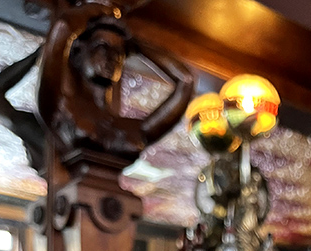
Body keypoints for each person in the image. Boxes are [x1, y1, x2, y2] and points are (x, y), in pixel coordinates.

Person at [36, 0, 193, 163]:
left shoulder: (130, 128)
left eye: (119, 52)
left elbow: (186, 80)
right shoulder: (63, 109)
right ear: (80, 51)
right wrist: (104, 10)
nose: (112, 58)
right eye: (102, 46)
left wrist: (136, 42)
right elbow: (63, 26)